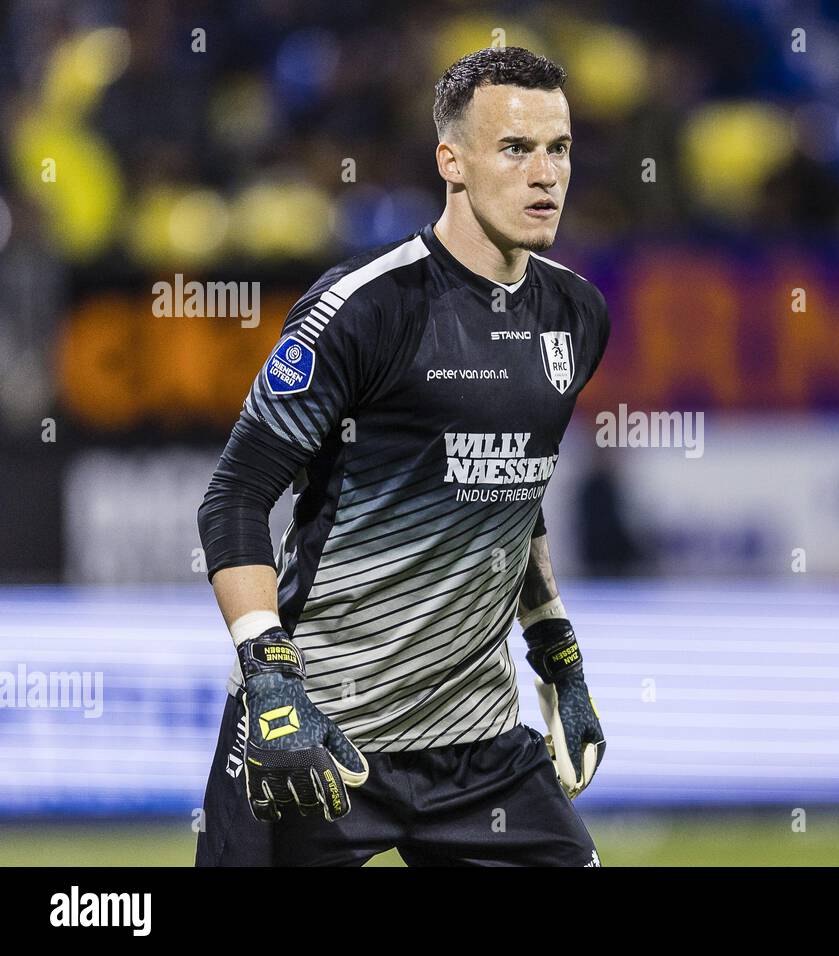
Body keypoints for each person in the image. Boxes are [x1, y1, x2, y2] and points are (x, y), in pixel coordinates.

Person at [194, 46, 608, 866]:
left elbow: (509, 500)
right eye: (515, 149)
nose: (545, 175)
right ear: (451, 161)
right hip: (318, 737)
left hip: (477, 743)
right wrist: (270, 682)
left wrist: (558, 656)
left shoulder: (577, 314)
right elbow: (234, 498)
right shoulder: (363, 310)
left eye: (558, 148)